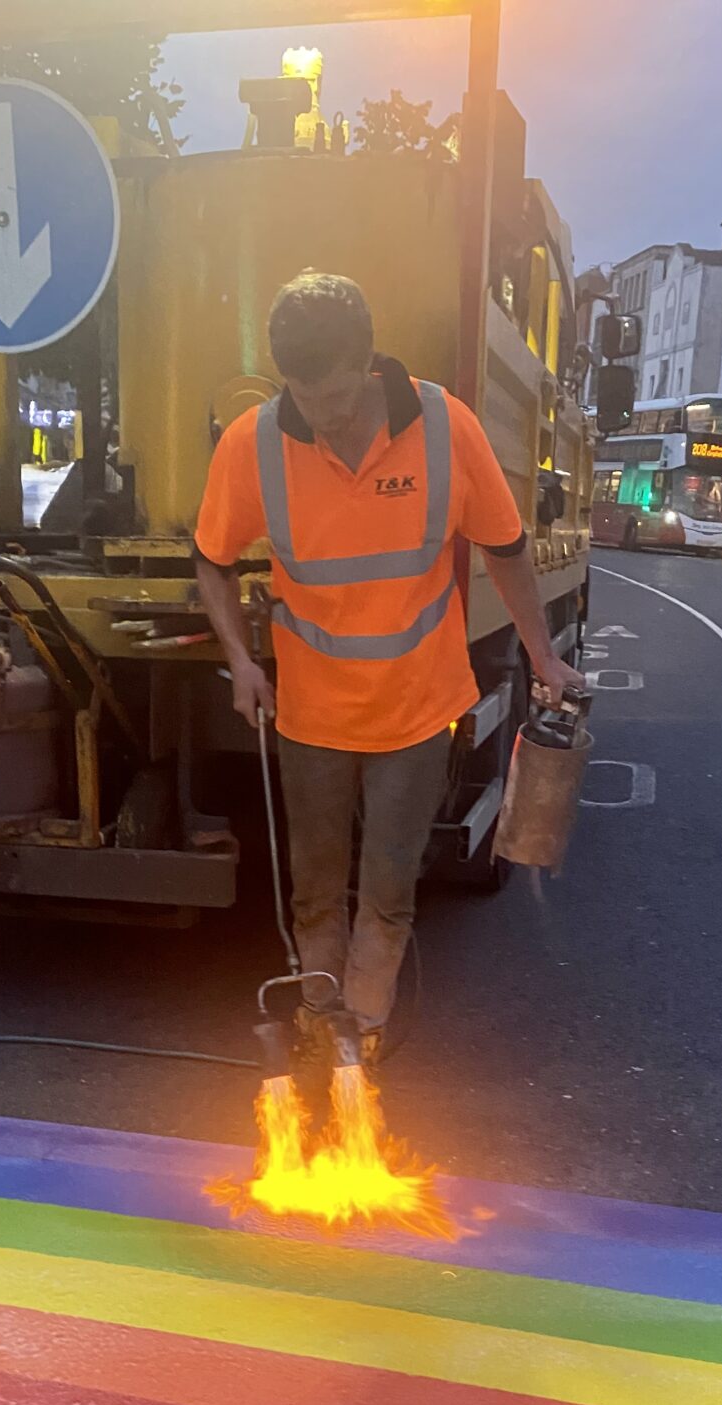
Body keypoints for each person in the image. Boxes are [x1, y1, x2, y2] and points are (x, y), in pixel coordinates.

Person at [195, 271, 586, 1063]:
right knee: (313, 895)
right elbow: (212, 562)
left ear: (369, 362)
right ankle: (321, 1027)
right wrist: (241, 663)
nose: (328, 419)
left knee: (389, 895)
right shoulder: (256, 444)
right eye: (307, 401)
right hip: (310, 715)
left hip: (413, 712)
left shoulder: (446, 427)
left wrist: (544, 657)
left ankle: (357, 1054)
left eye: (339, 398)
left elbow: (506, 549)